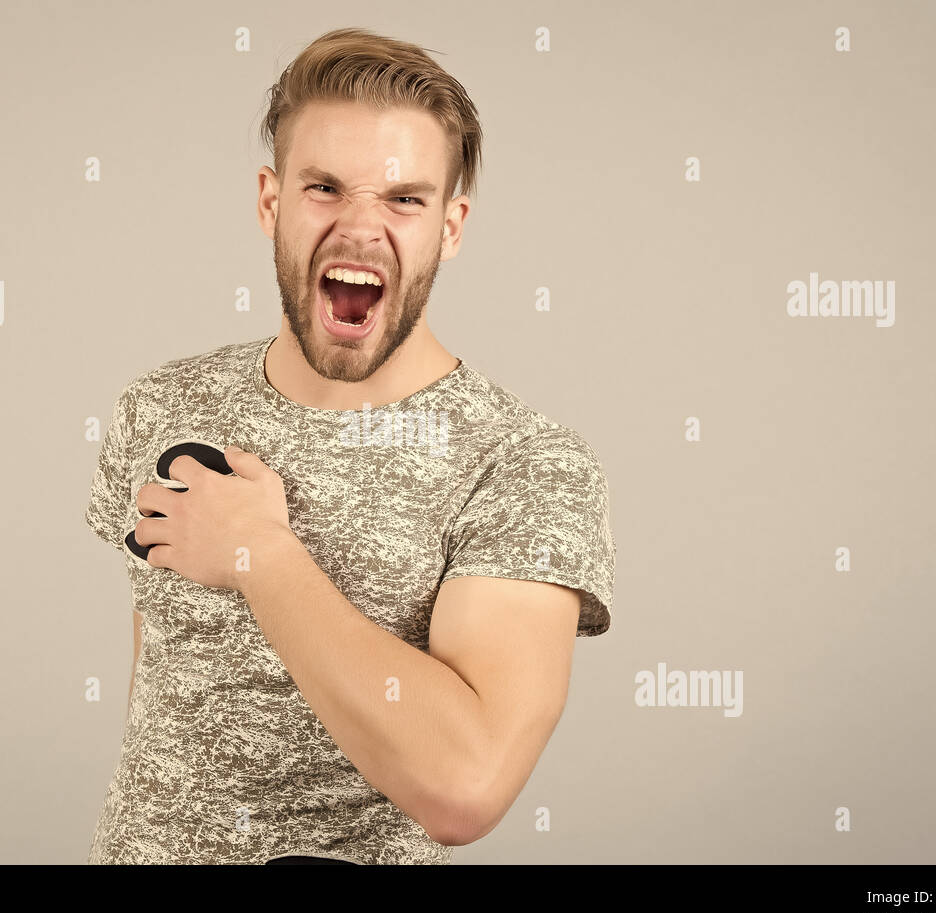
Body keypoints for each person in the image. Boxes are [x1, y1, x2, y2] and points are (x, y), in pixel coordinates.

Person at [84, 27, 615, 865]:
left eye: (405, 199)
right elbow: (167, 696)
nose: (362, 228)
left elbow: (466, 784)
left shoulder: (523, 465)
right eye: (325, 188)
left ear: (451, 225)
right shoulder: (163, 404)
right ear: (271, 202)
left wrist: (261, 551)